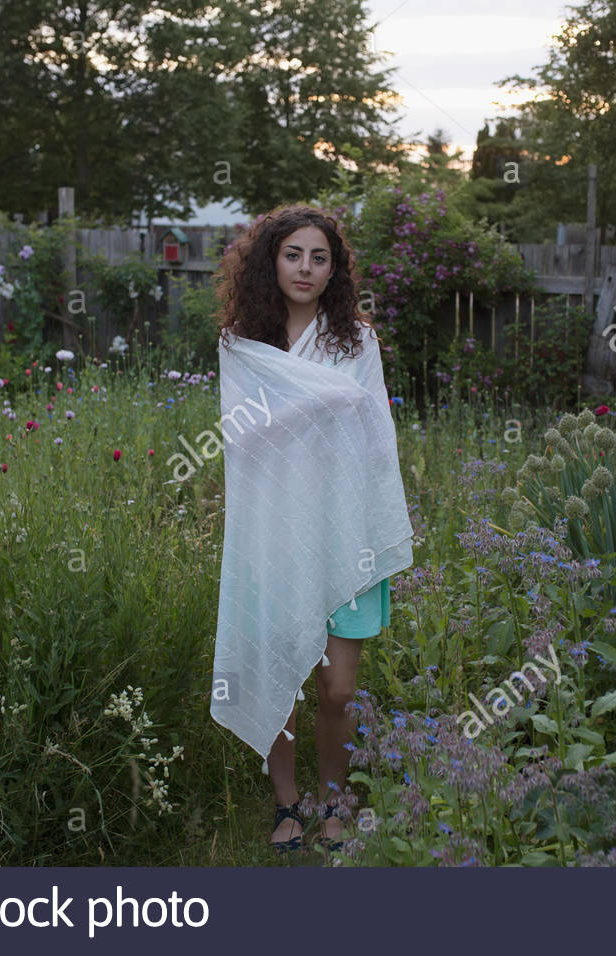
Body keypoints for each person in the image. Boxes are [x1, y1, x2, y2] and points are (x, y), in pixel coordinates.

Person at [212, 203, 403, 853]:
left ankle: (336, 801)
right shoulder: (243, 344)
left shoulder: (357, 342)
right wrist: (325, 398)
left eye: (320, 257)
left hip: (345, 527)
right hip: (276, 533)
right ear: (272, 261)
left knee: (337, 687)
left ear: (334, 270)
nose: (305, 267)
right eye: (294, 254)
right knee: (279, 680)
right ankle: (287, 804)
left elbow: (375, 434)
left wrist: (324, 401)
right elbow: (243, 432)